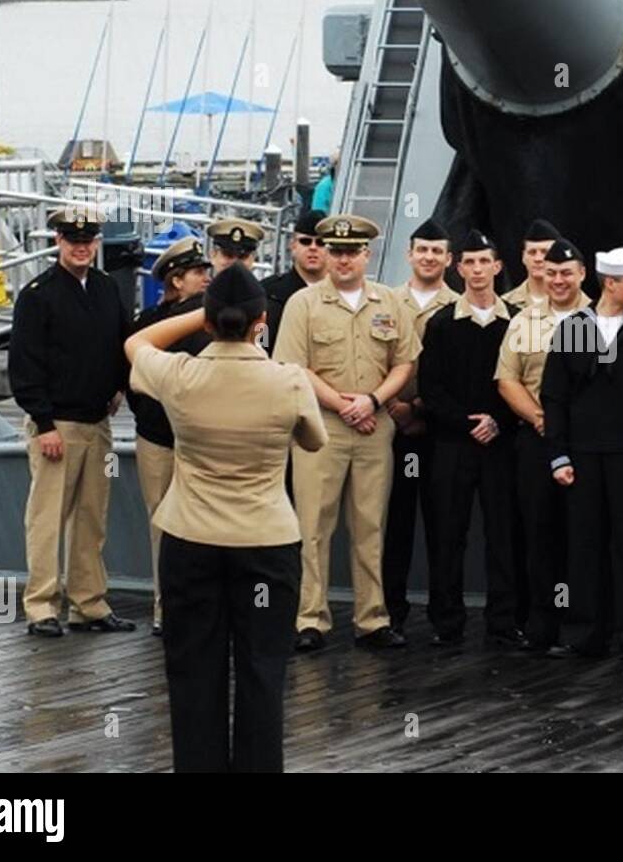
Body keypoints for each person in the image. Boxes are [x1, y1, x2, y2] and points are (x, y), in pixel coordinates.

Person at [125, 264, 327, 772]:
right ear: (261, 319)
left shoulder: (181, 375)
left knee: (193, 671)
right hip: (265, 543)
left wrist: (199, 315)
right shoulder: (288, 381)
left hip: (190, 540)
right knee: (263, 672)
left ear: (210, 321)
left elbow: (137, 343)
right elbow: (313, 440)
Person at [274, 214, 420, 651]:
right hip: (321, 428)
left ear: (366, 255)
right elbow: (295, 366)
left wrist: (372, 401)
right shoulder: (304, 303)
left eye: (351, 251)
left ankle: (371, 618)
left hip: (375, 427)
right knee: (313, 525)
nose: (342, 259)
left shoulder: (389, 302)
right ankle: (310, 618)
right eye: (335, 251)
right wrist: (344, 404)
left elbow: (404, 362)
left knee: (371, 525)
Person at [541, 247, 623, 661]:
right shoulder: (575, 328)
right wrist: (558, 455)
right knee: (583, 544)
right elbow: (555, 397)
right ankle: (583, 632)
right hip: (583, 454)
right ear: (611, 284)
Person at [8, 208, 135, 637]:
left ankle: (89, 604)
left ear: (97, 243)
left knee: (91, 517)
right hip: (56, 426)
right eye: (72, 239)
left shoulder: (105, 289)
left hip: (98, 424)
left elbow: (122, 342)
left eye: (88, 239)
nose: (81, 247)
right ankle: (42, 606)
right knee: (47, 519)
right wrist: (43, 424)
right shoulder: (37, 294)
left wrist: (119, 385)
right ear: (58, 241)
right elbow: (24, 364)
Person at [419, 230, 523, 647]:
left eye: (485, 261)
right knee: (448, 534)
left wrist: (497, 420)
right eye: (469, 262)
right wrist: (468, 423)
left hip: (500, 445)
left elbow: (523, 379)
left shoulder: (516, 319)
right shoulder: (441, 323)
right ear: (457, 268)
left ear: (498, 266)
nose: (477, 270)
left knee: (503, 534)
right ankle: (447, 622)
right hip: (452, 445)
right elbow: (431, 386)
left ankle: (503, 621)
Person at [495, 238, 591, 649]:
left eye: (566, 273)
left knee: (582, 535)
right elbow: (507, 379)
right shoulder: (524, 321)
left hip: (584, 443)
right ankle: (541, 624)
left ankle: (581, 625)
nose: (558, 280)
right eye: (551, 273)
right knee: (539, 533)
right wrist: (538, 418)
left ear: (582, 274)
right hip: (536, 439)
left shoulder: (597, 320)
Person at [127, 236, 212, 636]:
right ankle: (166, 608)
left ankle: (195, 605)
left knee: (201, 525)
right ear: (176, 280)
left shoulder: (210, 321)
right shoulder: (146, 322)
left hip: (196, 440)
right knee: (161, 524)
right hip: (157, 437)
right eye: (198, 272)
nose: (206, 278)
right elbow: (132, 381)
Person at [382, 218, 457, 633]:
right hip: (392, 428)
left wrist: (421, 408)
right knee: (394, 524)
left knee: (442, 524)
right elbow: (376, 360)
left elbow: (461, 373)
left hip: (439, 431)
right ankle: (391, 610)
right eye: (422, 250)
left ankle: (444, 615)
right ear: (410, 254)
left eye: (437, 251)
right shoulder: (387, 302)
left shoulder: (460, 307)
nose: (428, 257)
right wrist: (396, 405)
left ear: (449, 259)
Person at [259, 208, 327, 356]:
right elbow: (261, 343)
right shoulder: (268, 293)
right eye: (305, 241)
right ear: (293, 245)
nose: (313, 248)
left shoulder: (343, 295)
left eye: (321, 243)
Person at [503, 219, 561, 309]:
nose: (538, 259)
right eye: (532, 252)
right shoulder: (504, 304)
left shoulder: (576, 303)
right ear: (523, 257)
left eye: (545, 252)